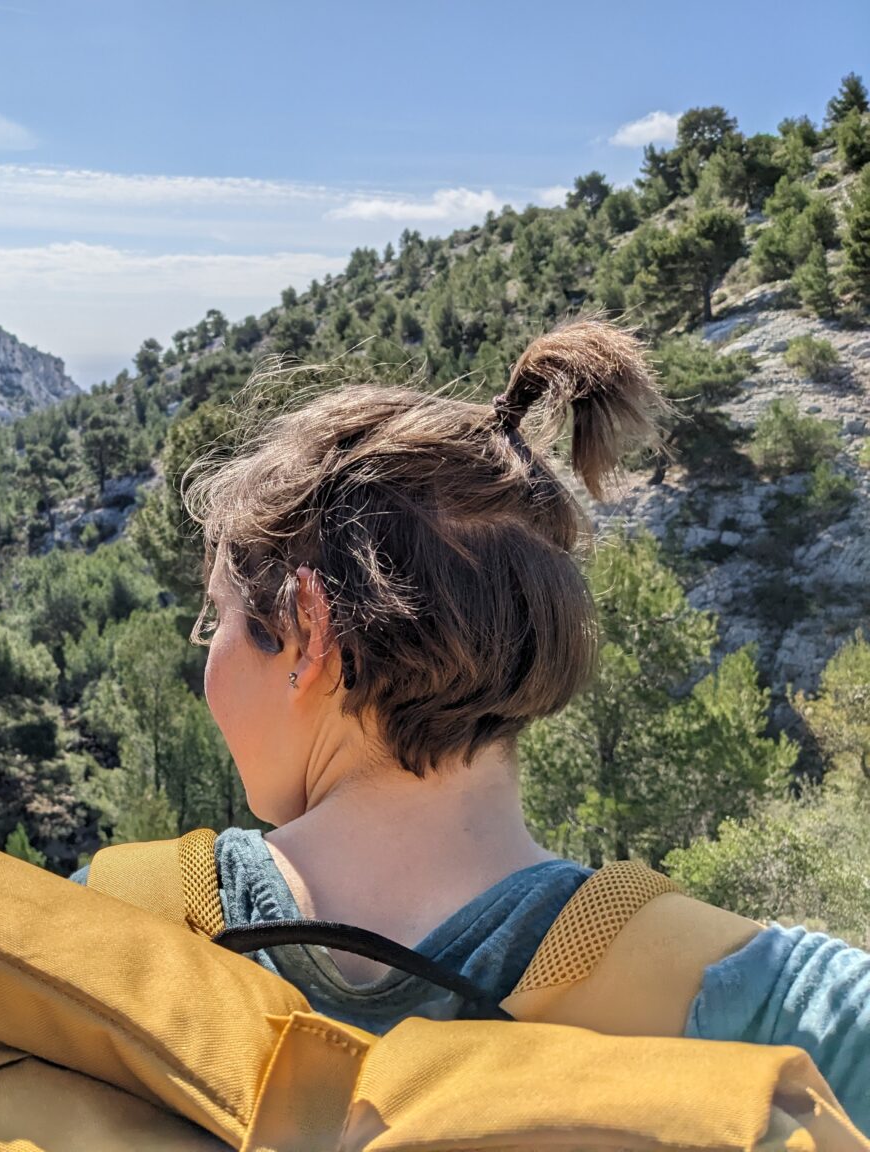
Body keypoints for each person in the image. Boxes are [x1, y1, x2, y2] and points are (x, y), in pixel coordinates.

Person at [73, 319, 870, 1125]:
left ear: (308, 631)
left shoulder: (99, 929)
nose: (207, 660)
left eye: (219, 621)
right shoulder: (782, 1006)